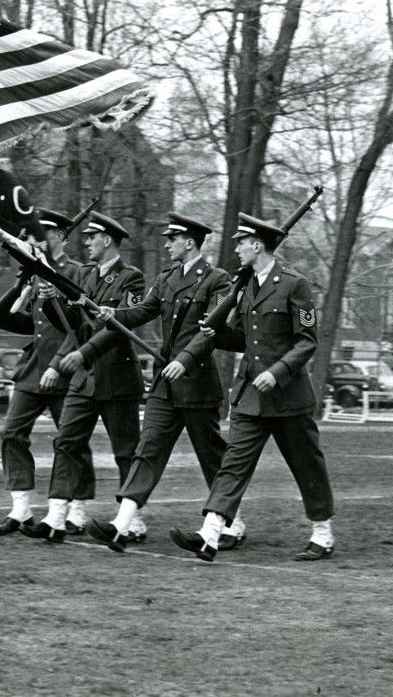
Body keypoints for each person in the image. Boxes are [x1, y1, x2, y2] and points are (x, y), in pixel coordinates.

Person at [170, 213, 335, 563]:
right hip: (250, 396)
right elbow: (246, 339)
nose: (236, 251)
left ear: (257, 245)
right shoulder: (244, 286)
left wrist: (277, 373)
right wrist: (219, 336)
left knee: (307, 465)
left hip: (288, 397)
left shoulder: (295, 284)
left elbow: (307, 342)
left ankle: (322, 532)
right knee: (232, 464)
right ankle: (210, 534)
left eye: (240, 244)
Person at [84, 212, 247, 552]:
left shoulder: (217, 281)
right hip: (164, 384)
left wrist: (184, 360)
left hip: (197, 382)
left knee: (212, 458)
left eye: (172, 239)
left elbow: (211, 330)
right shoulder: (167, 277)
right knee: (148, 451)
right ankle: (121, 525)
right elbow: (143, 311)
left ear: (190, 242)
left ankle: (232, 523)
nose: (168, 244)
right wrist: (115, 314)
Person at [21, 211, 145, 543]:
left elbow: (120, 327)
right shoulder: (87, 275)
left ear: (108, 240)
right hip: (84, 378)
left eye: (92, 237)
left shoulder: (131, 278)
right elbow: (73, 324)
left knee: (125, 451)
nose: (86, 242)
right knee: (66, 443)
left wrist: (83, 353)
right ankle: (56, 517)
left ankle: (130, 520)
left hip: (116, 378)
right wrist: (51, 304)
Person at [0, 208, 81, 534]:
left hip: (64, 370)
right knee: (11, 432)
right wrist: (18, 286)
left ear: (60, 237)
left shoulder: (77, 273)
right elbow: (27, 324)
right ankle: (21, 509)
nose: (35, 237)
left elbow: (79, 328)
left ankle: (69, 511)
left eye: (45, 232)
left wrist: (57, 365)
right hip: (32, 369)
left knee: (69, 442)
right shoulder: (36, 273)